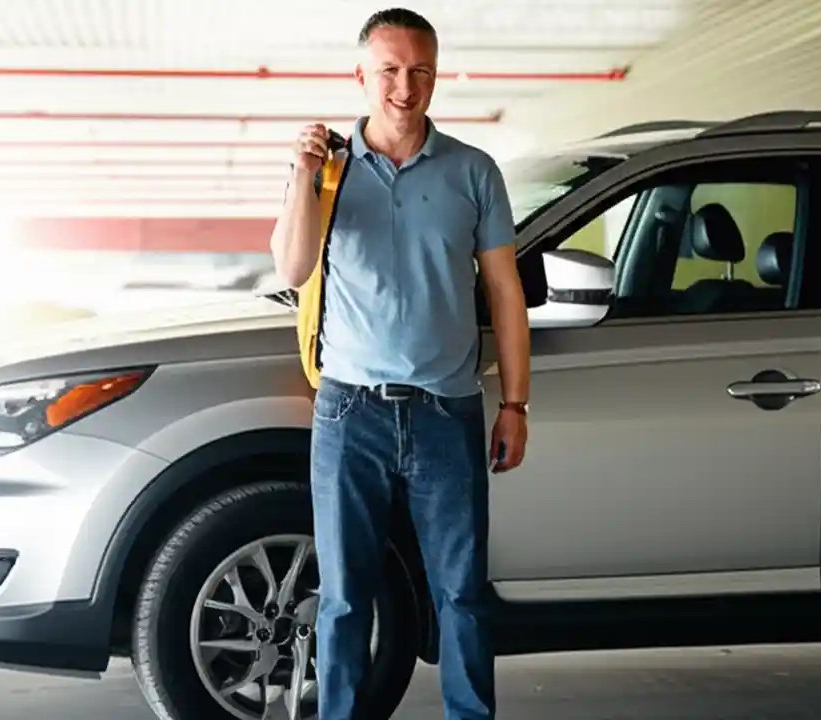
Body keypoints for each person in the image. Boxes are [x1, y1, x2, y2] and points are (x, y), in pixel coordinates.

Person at [268, 7, 531, 719]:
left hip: (447, 410)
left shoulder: (473, 173)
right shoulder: (325, 172)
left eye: (420, 71)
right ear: (360, 75)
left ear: (435, 75)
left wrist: (514, 404)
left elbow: (505, 291)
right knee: (348, 598)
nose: (405, 88)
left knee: (463, 595)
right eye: (389, 70)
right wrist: (301, 172)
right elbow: (293, 265)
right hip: (350, 413)